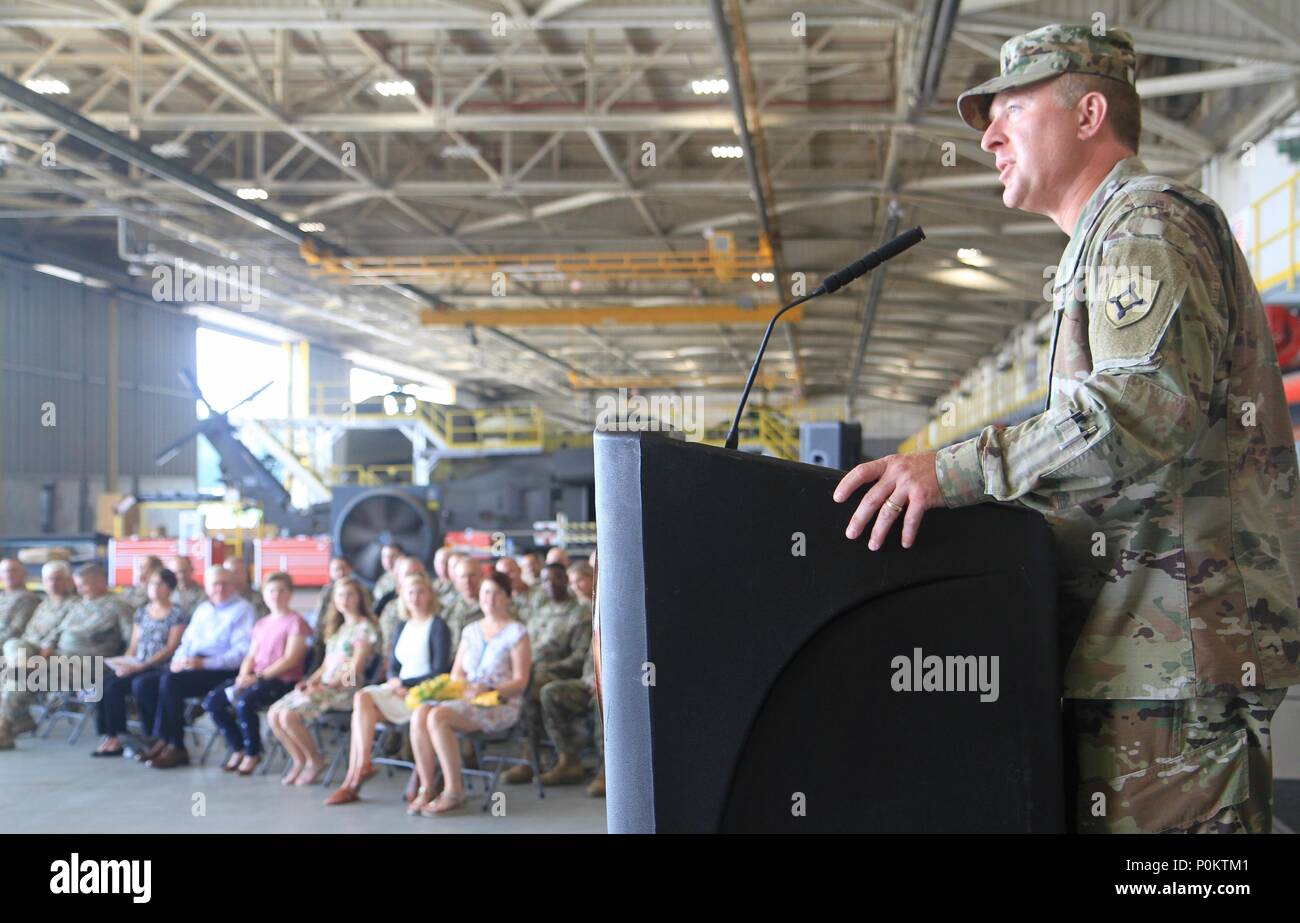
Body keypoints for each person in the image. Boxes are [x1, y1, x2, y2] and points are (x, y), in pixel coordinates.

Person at [833, 24, 1300, 833]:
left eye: (1012, 106)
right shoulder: (1102, 245)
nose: (988, 134)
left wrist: (951, 472)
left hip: (1173, 653)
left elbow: (1138, 410)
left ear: (1089, 113)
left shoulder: (1144, 225)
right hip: (1142, 645)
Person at [408, 570, 532, 815]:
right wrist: (464, 687)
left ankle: (454, 791)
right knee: (421, 712)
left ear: (507, 597)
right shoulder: (471, 631)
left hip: (500, 704)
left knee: (437, 716)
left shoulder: (517, 633)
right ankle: (427, 786)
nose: (490, 598)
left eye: (497, 593)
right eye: (486, 592)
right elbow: (457, 674)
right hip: (465, 699)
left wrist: (489, 688)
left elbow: (521, 681)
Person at [325, 574, 451, 805]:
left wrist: (405, 685)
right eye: (410, 592)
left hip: (422, 693)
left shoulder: (438, 626)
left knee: (360, 710)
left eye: (420, 591)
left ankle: (353, 781)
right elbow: (393, 665)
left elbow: (440, 670)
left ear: (430, 595)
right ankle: (362, 766)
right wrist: (395, 681)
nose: (415, 597)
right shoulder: (403, 625)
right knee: (363, 699)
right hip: (397, 689)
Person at [269, 576, 380, 785]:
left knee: (288, 716)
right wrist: (311, 681)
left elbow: (354, 669)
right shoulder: (338, 630)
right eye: (340, 595)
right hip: (324, 685)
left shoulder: (365, 629)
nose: (345, 599)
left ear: (359, 598)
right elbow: (326, 666)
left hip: (344, 690)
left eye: (350, 595)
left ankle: (315, 760)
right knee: (274, 714)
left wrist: (328, 686)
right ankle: (299, 760)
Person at [142, 567, 255, 769]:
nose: (219, 588)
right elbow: (186, 643)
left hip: (222, 669)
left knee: (170, 682)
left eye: (224, 583)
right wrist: (178, 661)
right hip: (193, 665)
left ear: (234, 585)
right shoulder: (203, 609)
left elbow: (239, 654)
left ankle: (176, 746)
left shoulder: (243, 609)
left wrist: (203, 663)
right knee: (147, 683)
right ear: (207, 586)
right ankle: (164, 738)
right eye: (214, 584)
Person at [204, 572, 310, 775]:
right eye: (271, 591)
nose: (276, 595)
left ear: (290, 594)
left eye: (281, 591)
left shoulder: (296, 622)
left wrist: (258, 677)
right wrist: (243, 675)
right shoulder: (262, 624)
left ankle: (253, 752)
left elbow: (290, 660)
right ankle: (238, 747)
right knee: (213, 702)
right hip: (254, 678)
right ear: (264, 595)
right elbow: (251, 655)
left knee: (245, 703)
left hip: (281, 680)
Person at [502, 562, 590, 784]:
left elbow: (580, 656)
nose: (551, 584)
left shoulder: (579, 614)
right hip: (531, 669)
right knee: (517, 683)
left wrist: (549, 668)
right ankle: (530, 757)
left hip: (563, 672)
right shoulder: (540, 611)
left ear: (565, 581)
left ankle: (563, 758)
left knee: (530, 687)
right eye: (546, 580)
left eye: (557, 579)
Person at [92, 567, 188, 757]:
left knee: (127, 686)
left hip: (159, 666)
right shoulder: (142, 612)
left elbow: (171, 647)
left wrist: (141, 666)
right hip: (138, 663)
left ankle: (142, 736)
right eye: (152, 583)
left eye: (160, 584)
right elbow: (134, 644)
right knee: (102, 684)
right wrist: (125, 663)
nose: (154, 588)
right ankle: (112, 735)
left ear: (170, 587)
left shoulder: (177, 613)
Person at [0, 560, 80, 740]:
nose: (53, 583)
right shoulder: (44, 604)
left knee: (14, 675)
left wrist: (45, 651)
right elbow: (27, 634)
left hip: (53, 656)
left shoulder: (75, 605)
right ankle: (18, 720)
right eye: (49, 580)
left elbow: (62, 634)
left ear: (68, 581)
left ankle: (5, 726)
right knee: (13, 648)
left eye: (58, 579)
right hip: (28, 652)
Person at [440, 556, 484, 653]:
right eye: (463, 576)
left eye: (472, 575)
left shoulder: (490, 607)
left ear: (481, 576)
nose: (467, 581)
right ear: (456, 581)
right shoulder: (448, 610)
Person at [0, 558, 40, 646]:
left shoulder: (28, 599)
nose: (8, 575)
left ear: (24, 574)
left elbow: (16, 631)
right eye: (4, 571)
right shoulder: (2, 596)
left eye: (13, 571)